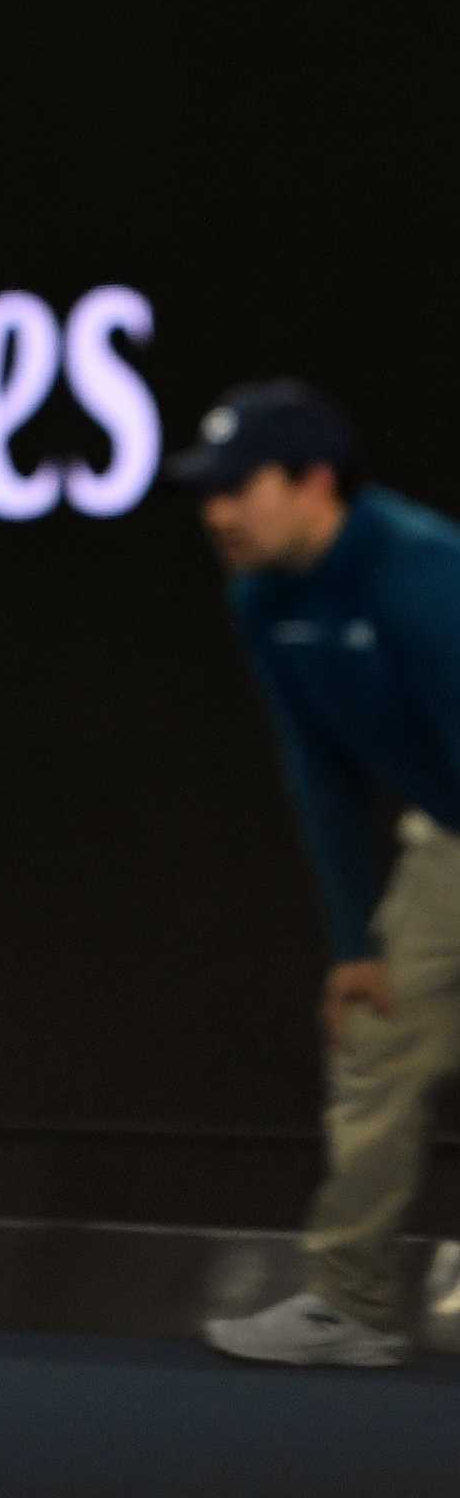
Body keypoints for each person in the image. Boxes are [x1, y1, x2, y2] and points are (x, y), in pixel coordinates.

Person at [175, 385, 460, 1371]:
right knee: (378, 1029)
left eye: (237, 488)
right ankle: (353, 1304)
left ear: (315, 483)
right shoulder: (261, 596)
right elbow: (319, 768)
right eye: (207, 492)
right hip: (453, 832)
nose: (218, 513)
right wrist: (352, 942)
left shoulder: (424, 573)